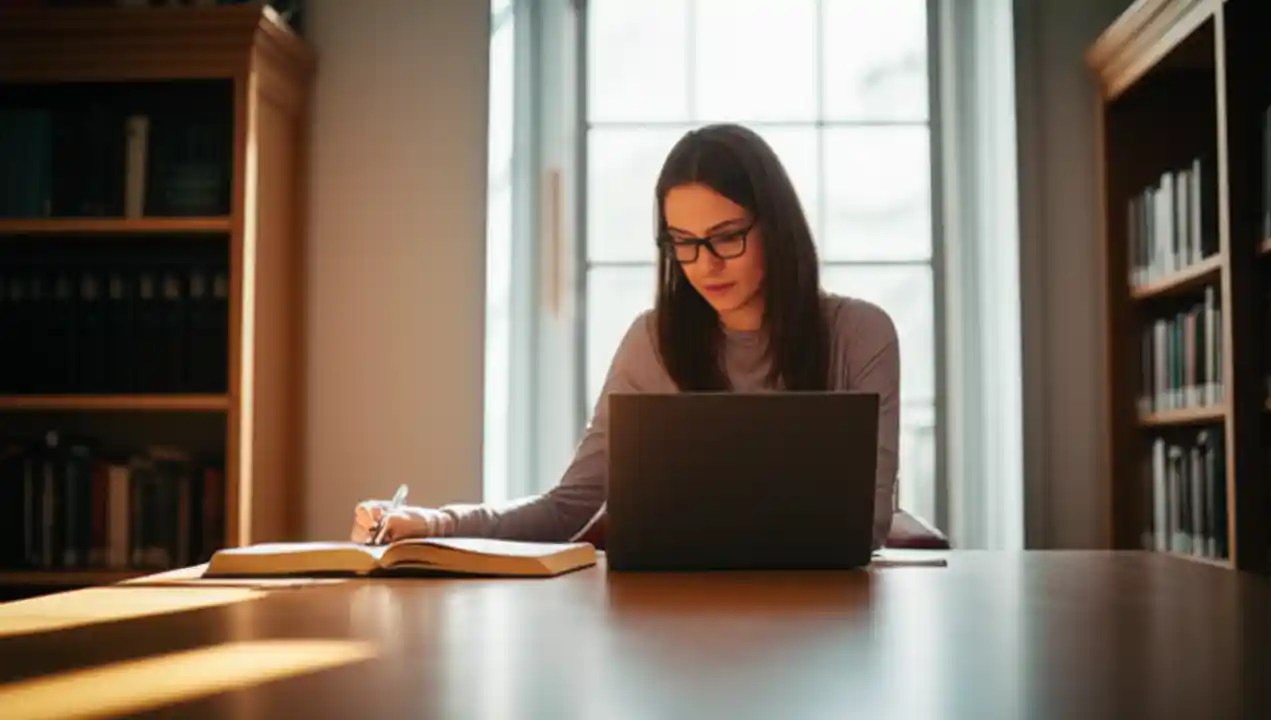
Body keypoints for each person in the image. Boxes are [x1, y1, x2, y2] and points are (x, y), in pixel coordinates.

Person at [351, 123, 900, 548]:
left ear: (775, 227)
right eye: (682, 242)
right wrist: (433, 523)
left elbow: (868, 525)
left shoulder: (861, 334)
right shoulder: (654, 341)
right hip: (679, 629)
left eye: (726, 237)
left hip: (826, 616)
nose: (704, 264)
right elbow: (570, 506)